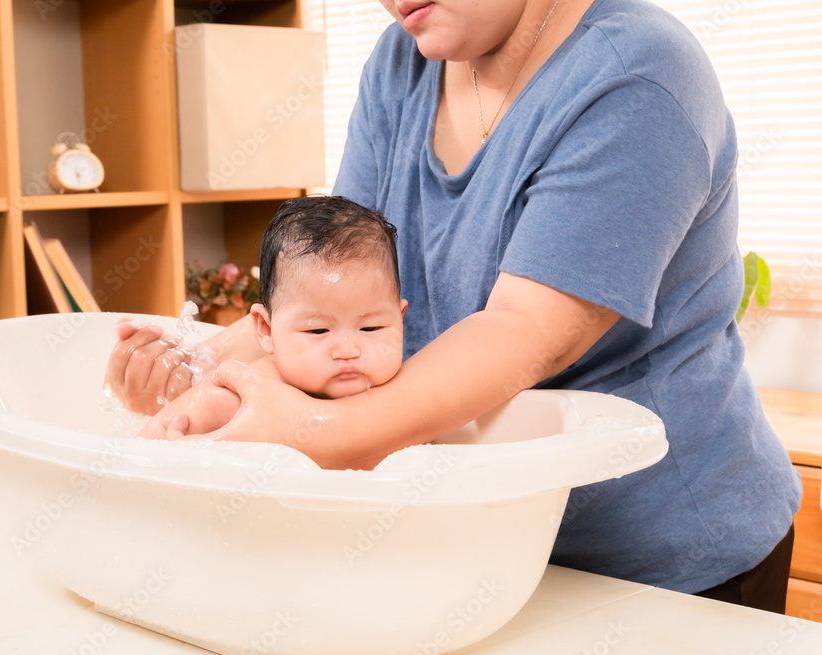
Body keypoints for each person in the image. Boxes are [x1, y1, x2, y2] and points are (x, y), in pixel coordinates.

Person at [107, 0, 801, 613]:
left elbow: (526, 332)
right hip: (478, 549)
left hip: (661, 563)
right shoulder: (401, 63)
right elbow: (336, 286)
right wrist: (202, 365)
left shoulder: (639, 75)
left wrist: (306, 427)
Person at [137, 195, 407, 439]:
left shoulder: (409, 390)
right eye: (318, 331)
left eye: (372, 328)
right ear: (266, 330)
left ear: (400, 320)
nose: (348, 350)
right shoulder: (242, 391)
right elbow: (149, 442)